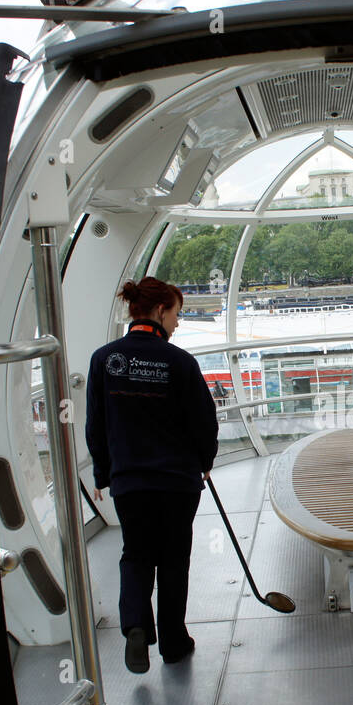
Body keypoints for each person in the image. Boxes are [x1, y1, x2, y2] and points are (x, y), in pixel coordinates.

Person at [86, 276, 219, 673]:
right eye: (176, 314)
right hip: (177, 482)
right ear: (160, 311)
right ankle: (174, 643)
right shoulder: (180, 362)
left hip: (130, 482)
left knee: (137, 554)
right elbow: (204, 421)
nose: (177, 323)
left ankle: (135, 628)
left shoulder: (105, 360)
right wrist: (205, 461)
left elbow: (96, 425)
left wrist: (104, 473)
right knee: (174, 560)